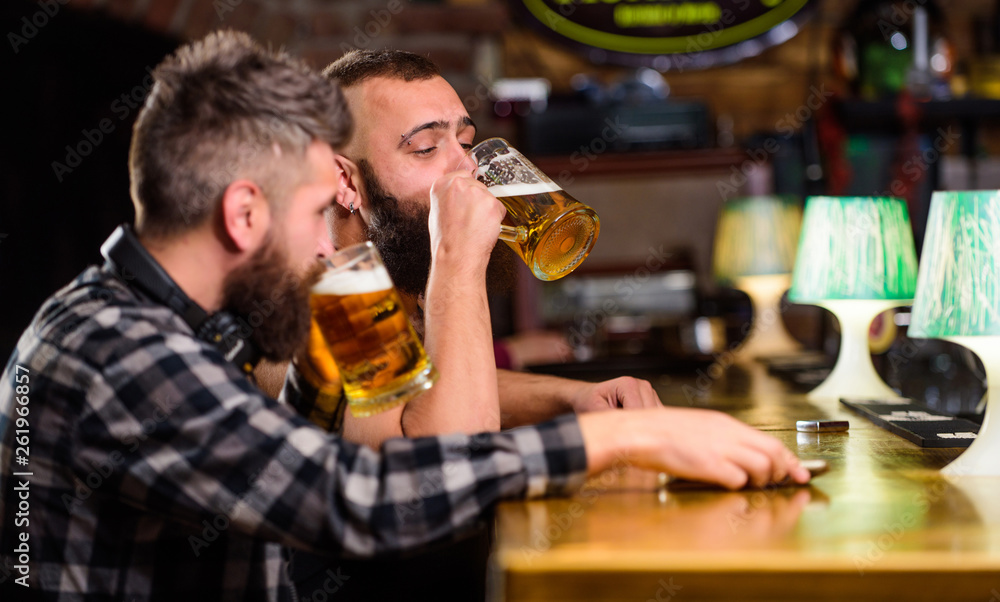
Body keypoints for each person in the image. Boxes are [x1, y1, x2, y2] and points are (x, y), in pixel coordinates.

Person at [0, 31, 809, 601]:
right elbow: (363, 495)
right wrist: (617, 437)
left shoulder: (198, 320)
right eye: (321, 211)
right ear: (245, 216)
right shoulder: (116, 352)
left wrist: (569, 398)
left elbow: (385, 400)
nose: (335, 245)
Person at [301, 49, 671, 450]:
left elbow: (423, 387)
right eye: (425, 148)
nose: (467, 167)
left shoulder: (361, 278)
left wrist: (573, 398)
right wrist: (458, 255)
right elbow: (446, 465)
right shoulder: (309, 291)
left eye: (464, 142)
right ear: (344, 181)